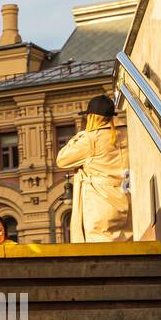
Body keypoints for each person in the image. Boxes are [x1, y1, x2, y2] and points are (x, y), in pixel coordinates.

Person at [56, 96, 132, 242]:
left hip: (100, 204)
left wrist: (81, 134)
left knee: (101, 254)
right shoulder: (129, 133)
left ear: (91, 117)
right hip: (127, 199)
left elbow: (62, 159)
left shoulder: (90, 139)